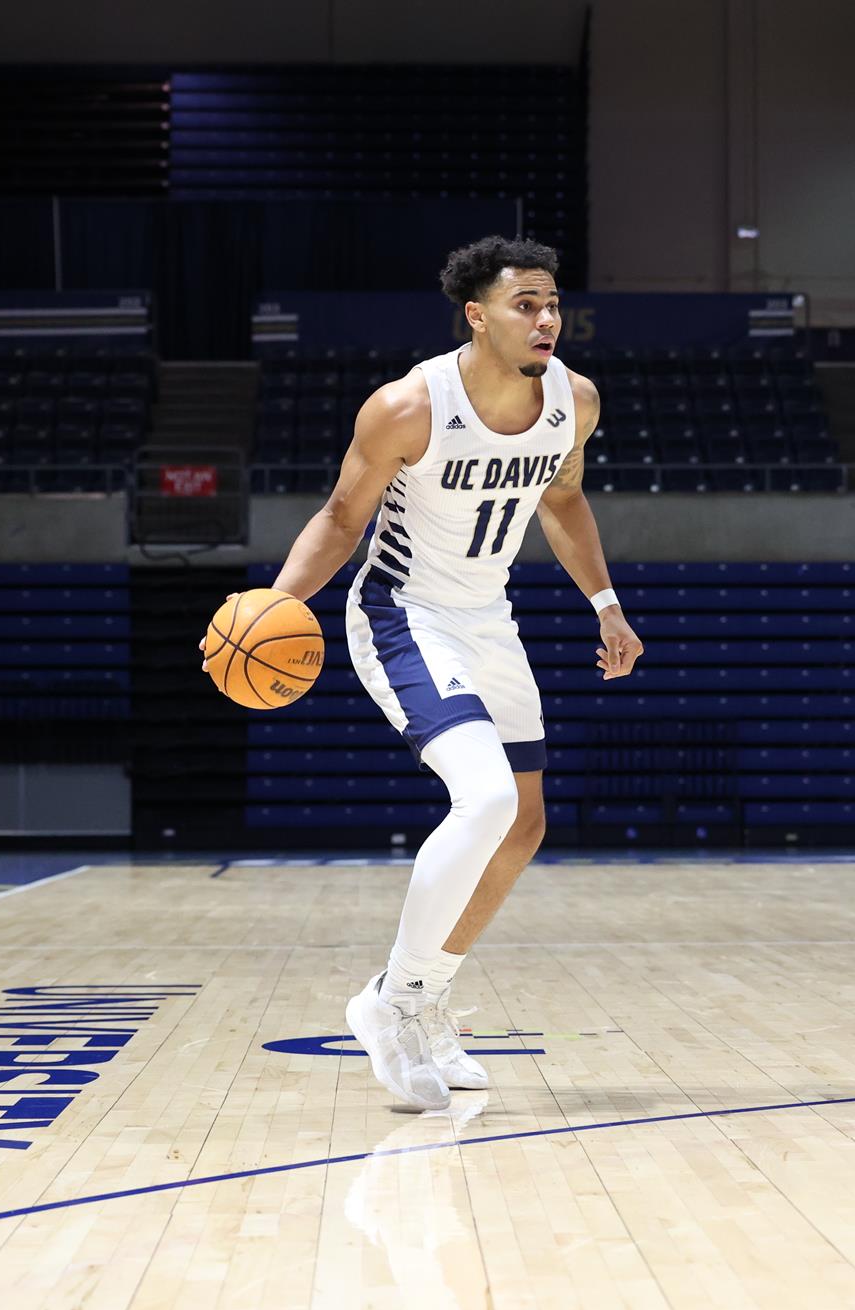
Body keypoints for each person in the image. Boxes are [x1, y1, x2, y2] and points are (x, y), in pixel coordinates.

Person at [265, 236, 643, 1112]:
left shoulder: (573, 401)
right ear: (477, 314)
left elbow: (562, 498)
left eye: (553, 304)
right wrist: (277, 604)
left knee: (524, 823)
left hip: (488, 617)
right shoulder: (407, 406)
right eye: (526, 304)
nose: (546, 318)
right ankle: (390, 1005)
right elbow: (339, 516)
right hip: (404, 613)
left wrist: (606, 604)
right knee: (486, 799)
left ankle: (428, 999)